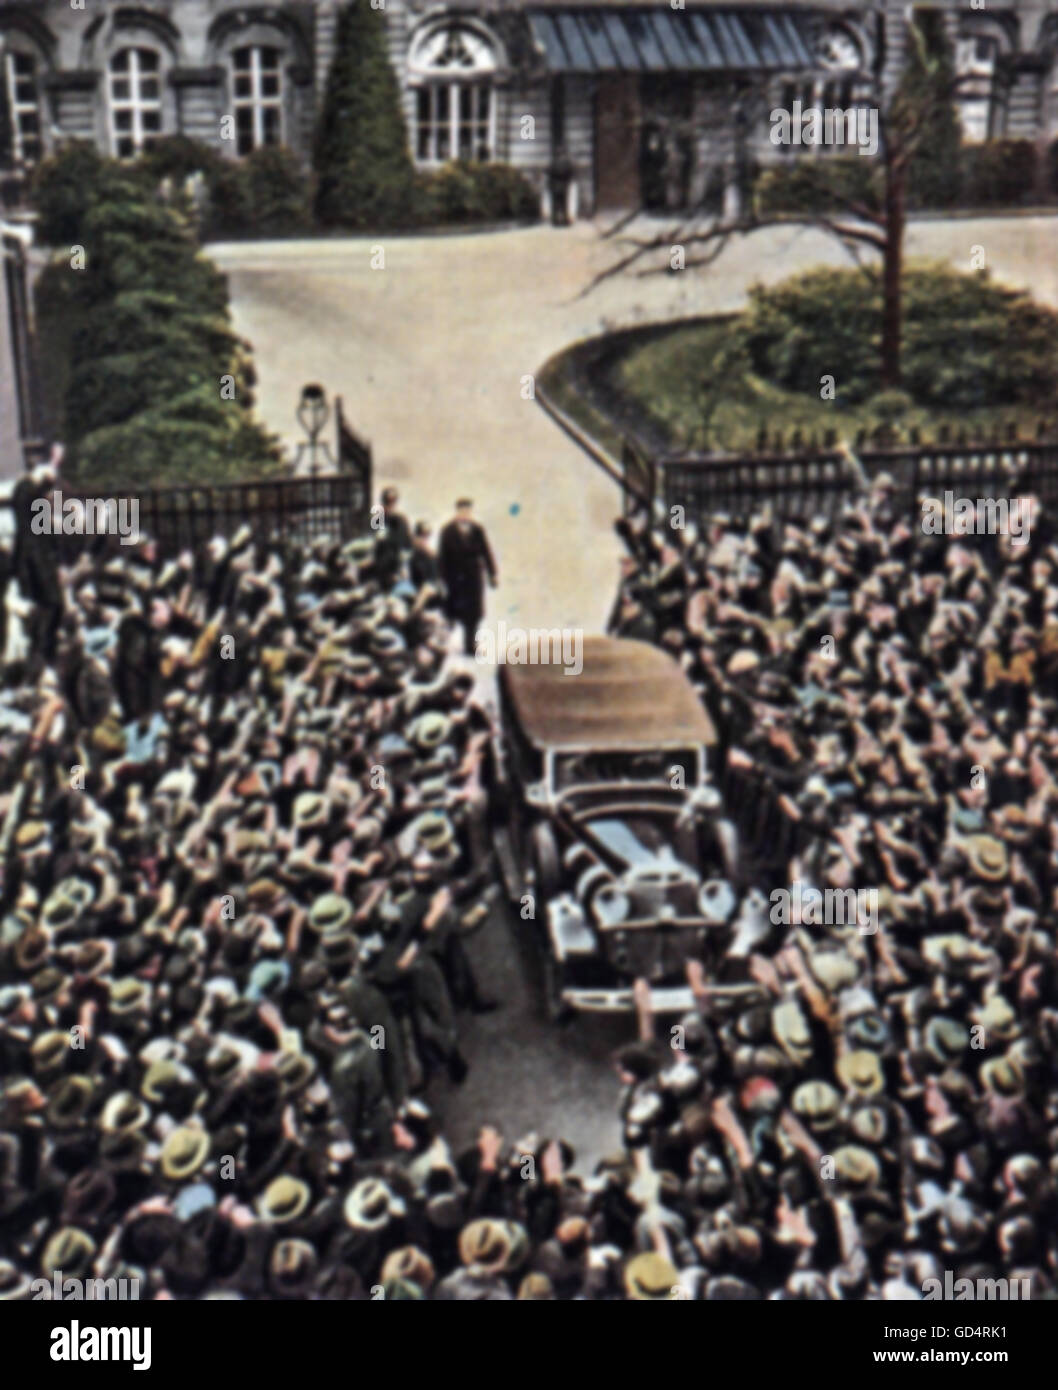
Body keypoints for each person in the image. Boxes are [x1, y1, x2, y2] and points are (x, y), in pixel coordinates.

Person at [438, 500, 498, 657]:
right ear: (457, 512)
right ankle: (441, 644)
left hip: (473, 577)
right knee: (451, 611)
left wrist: (493, 574)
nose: (465, 515)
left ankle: (470, 645)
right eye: (462, 511)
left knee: (473, 614)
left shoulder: (478, 530)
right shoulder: (447, 531)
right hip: (454, 577)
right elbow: (442, 556)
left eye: (468, 511)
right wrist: (441, 579)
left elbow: (486, 552)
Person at [374, 487, 412, 590]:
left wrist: (404, 565)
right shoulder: (378, 518)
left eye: (393, 501)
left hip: (398, 566)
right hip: (381, 567)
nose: (391, 505)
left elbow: (408, 544)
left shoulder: (401, 520)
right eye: (388, 501)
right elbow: (376, 542)